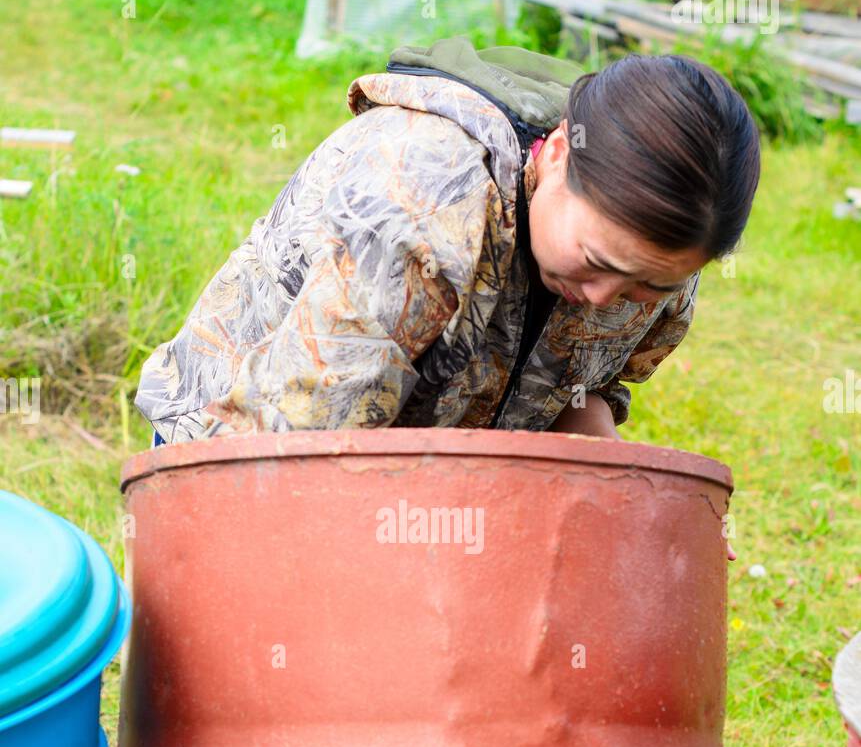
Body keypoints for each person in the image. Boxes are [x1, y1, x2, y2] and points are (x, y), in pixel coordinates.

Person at [136, 35, 760, 448]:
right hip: (243, 446)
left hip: (434, 482)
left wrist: (638, 498)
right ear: (562, 154)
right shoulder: (424, 201)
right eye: (598, 263)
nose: (605, 296)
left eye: (649, 285)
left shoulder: (662, 251)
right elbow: (300, 438)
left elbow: (583, 392)